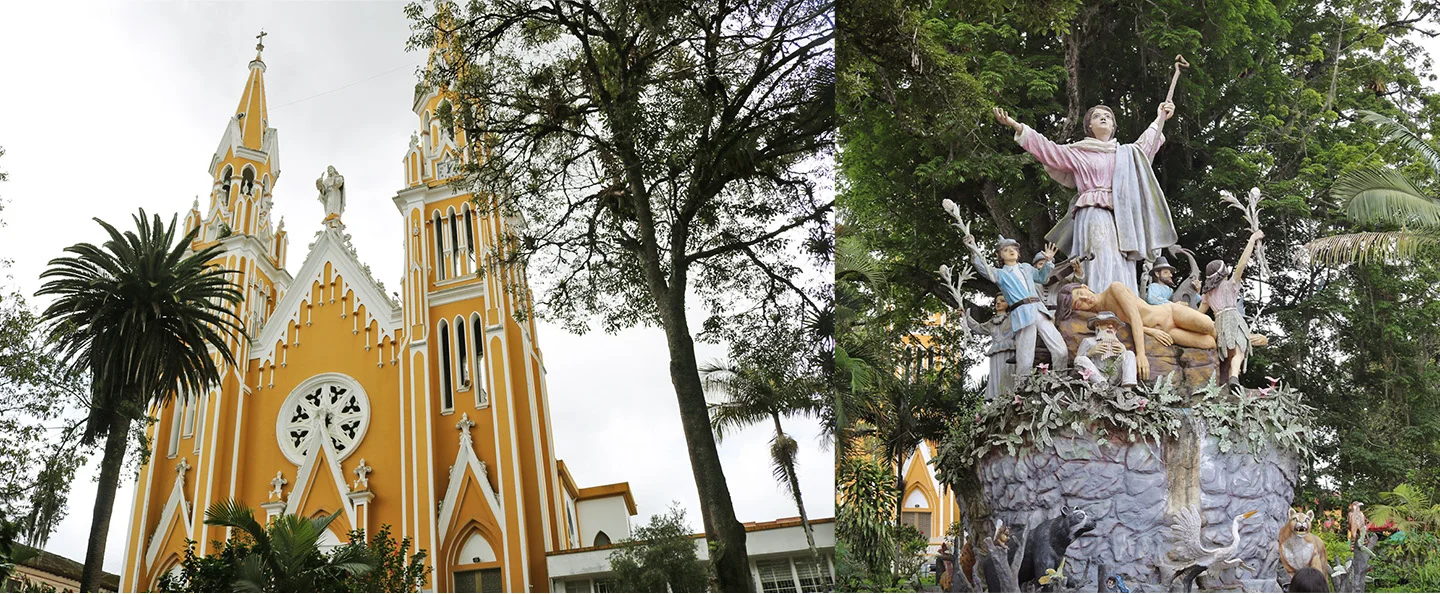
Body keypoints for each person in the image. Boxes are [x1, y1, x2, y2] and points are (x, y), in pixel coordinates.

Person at [994, 102, 1180, 296]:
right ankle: (1099, 303)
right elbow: (1048, 150)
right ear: (1089, 126)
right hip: (1093, 210)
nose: (1103, 118)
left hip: (1122, 217)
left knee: (1123, 260)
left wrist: (1160, 118)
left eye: (1108, 116)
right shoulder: (1079, 151)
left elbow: (1147, 144)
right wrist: (1017, 126)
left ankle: (1125, 305)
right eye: (1097, 116)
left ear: (1114, 126)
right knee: (1100, 256)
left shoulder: (1126, 153)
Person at [1056, 281, 1224, 380]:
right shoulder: (1102, 319)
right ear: (1079, 310)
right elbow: (1127, 324)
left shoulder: (1115, 289)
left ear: (1085, 286)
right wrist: (1152, 332)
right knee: (1208, 343)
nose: (1085, 299)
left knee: (1208, 326)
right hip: (1167, 331)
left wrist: (1141, 354)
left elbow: (1134, 317)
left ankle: (1233, 344)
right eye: (1079, 303)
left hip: (1169, 314)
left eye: (1081, 293)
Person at [964, 235, 1069, 376]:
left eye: (1014, 248)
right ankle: (1021, 391)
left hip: (1039, 309)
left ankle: (1059, 380)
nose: (1011, 251)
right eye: (1006, 250)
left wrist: (1049, 261)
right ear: (1000, 255)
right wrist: (973, 249)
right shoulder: (999, 274)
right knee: (1025, 359)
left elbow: (1043, 278)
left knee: (1061, 350)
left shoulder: (1026, 268)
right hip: (1022, 314)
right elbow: (982, 267)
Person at [1199, 230, 1265, 387]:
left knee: (1230, 356)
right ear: (1223, 273)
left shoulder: (1207, 295)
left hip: (1219, 323)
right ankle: (1234, 378)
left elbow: (1198, 314)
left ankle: (1230, 382)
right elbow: (1242, 263)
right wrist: (1252, 239)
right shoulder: (1230, 285)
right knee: (1239, 352)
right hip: (1234, 319)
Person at [963, 294, 1015, 401]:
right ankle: (997, 399)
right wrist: (966, 317)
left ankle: (1009, 397)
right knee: (996, 375)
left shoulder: (1013, 318)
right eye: (996, 302)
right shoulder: (991, 323)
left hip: (1010, 352)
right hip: (995, 352)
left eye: (1002, 301)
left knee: (1008, 374)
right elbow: (978, 327)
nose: (998, 303)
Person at [1074, 311, 1138, 388]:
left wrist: (1122, 352)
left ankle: (1128, 390)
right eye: (1106, 323)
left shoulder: (1120, 345)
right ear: (1098, 325)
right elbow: (1077, 363)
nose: (1110, 326)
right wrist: (1090, 353)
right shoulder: (1088, 341)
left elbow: (1126, 364)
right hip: (1096, 375)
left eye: (1114, 325)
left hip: (1113, 376)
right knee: (1080, 359)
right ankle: (1103, 385)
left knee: (1129, 354)